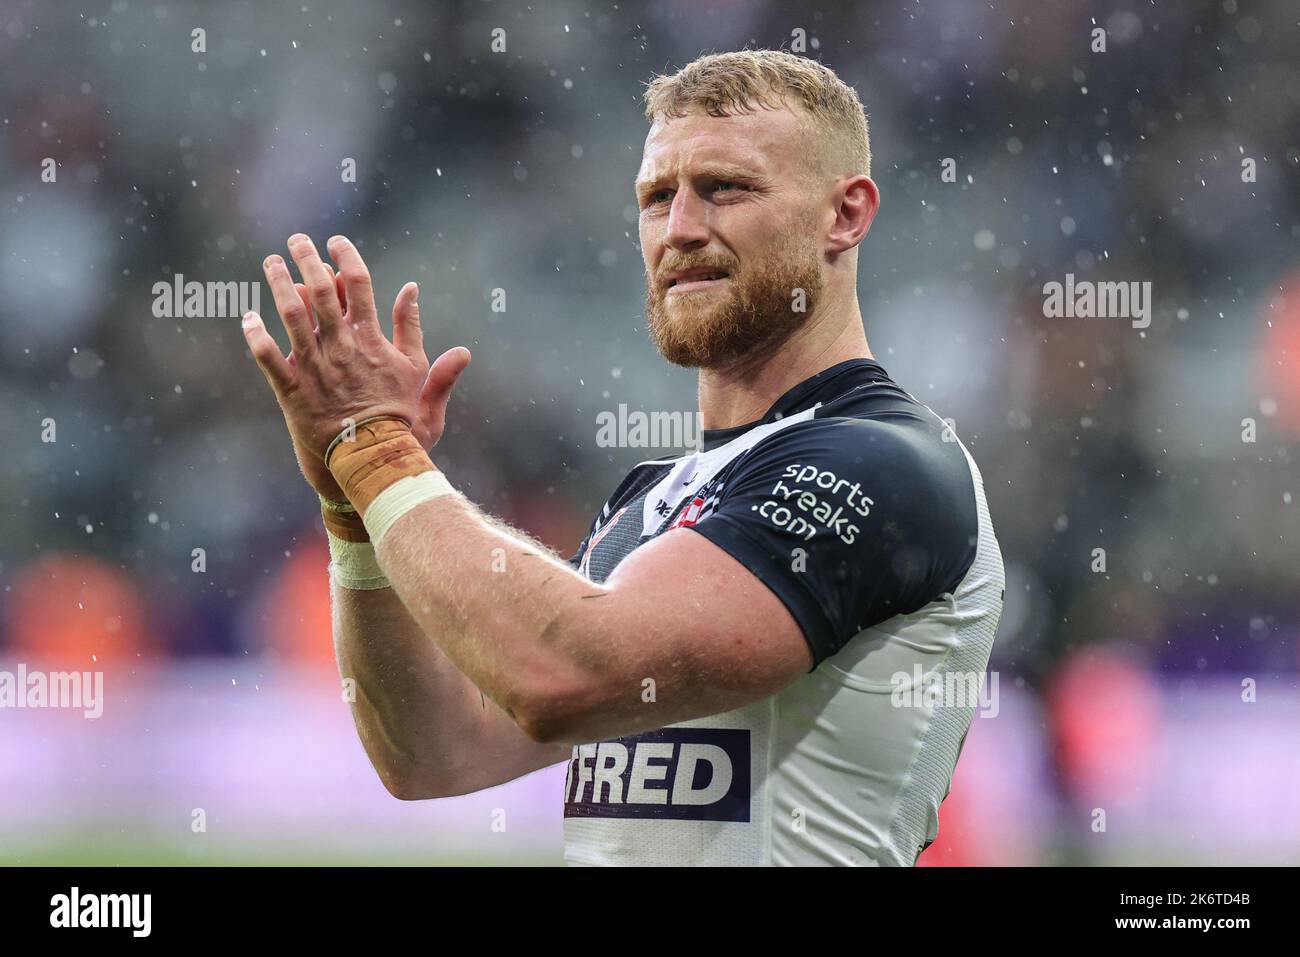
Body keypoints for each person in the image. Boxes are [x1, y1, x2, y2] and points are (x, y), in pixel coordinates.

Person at [241, 49, 1004, 866]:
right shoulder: (652, 500)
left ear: (845, 214)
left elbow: (561, 670)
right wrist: (354, 510)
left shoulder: (886, 463)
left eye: (726, 189)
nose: (679, 229)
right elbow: (433, 751)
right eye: (656, 197)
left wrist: (382, 457)